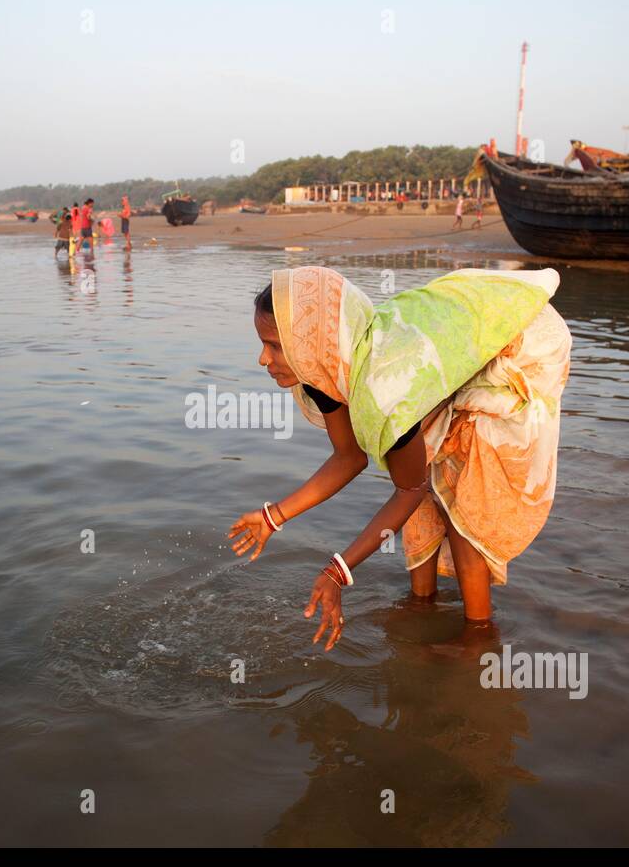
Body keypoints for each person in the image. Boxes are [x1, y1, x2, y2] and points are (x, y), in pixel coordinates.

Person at [229, 266, 571, 650]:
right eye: (263, 343)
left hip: (521, 337)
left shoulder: (386, 392)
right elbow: (349, 457)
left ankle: (478, 638)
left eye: (274, 345)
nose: (263, 359)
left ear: (307, 342)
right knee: (421, 463)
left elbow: (408, 489)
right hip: (455, 331)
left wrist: (338, 572)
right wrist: (273, 517)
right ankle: (421, 604)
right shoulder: (323, 368)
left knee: (458, 504)